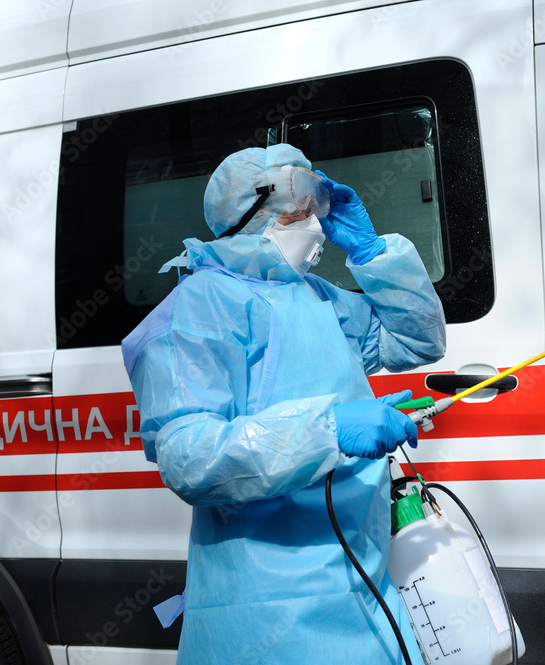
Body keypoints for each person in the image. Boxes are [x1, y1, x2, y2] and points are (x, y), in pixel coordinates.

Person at [122, 143, 446, 664]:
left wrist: (370, 253)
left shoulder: (318, 297)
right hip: (270, 605)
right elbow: (189, 457)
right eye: (299, 208)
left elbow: (417, 342)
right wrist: (329, 432)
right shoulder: (198, 308)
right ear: (250, 215)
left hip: (364, 577)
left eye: (317, 205)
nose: (314, 221)